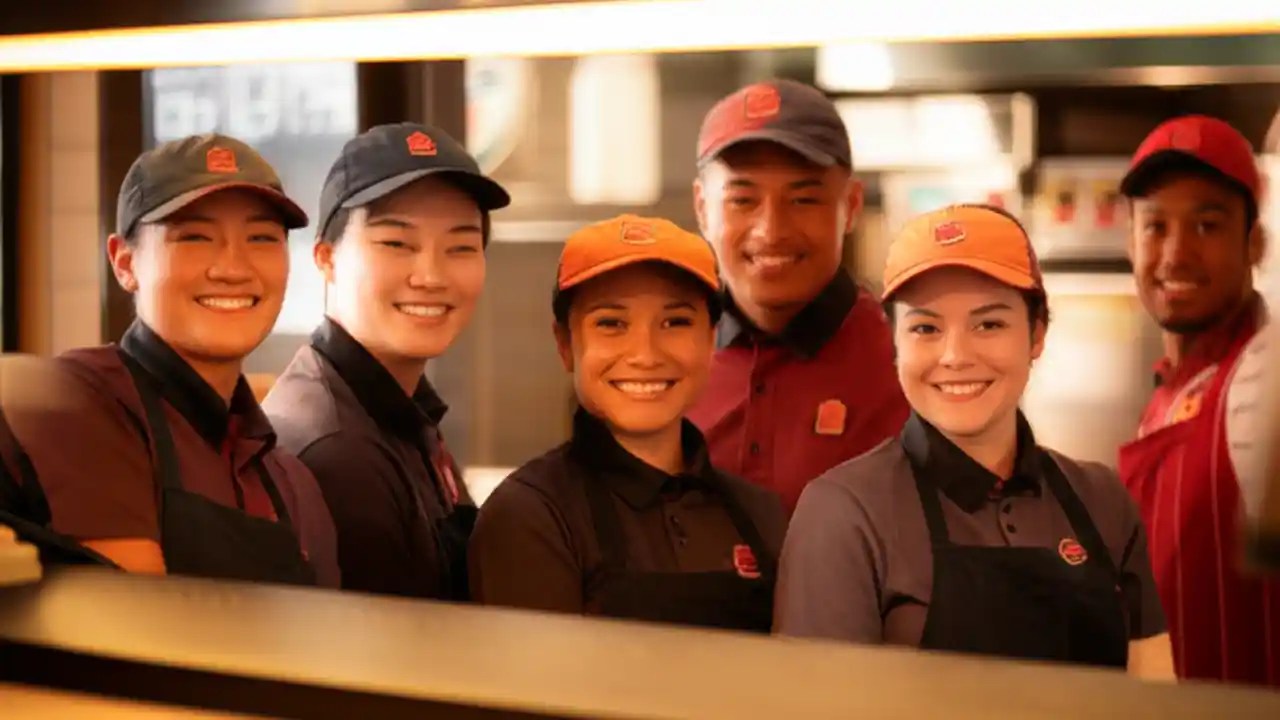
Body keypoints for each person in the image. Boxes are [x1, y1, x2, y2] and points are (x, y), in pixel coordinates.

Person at [775, 204, 1174, 678]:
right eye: (926, 328)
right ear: (895, 343)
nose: (956, 356)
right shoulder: (844, 513)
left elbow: (1154, 692)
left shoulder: (1102, 500)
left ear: (1037, 334)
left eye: (989, 324)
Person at [2, 134, 339, 586]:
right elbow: (131, 633)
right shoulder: (83, 405)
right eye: (195, 237)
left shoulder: (293, 481)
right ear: (124, 263)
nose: (233, 268)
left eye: (261, 238)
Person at [469, 215, 786, 631]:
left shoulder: (760, 512)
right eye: (611, 324)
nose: (646, 354)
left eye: (675, 322)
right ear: (565, 345)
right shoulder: (528, 516)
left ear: (711, 341)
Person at [263, 123, 509, 600]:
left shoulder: (392, 405)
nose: (431, 276)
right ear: (326, 257)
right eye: (397, 244)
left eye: (461, 246)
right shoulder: (337, 451)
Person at [689, 79, 908, 514]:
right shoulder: (668, 361)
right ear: (702, 209)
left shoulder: (909, 366)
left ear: (852, 205)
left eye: (804, 199)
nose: (770, 231)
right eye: (743, 200)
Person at [1117, 114, 1280, 686]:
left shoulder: (1262, 377)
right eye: (1155, 226)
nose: (1176, 254)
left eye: (1208, 225)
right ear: (1130, 240)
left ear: (1256, 241)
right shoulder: (1168, 394)